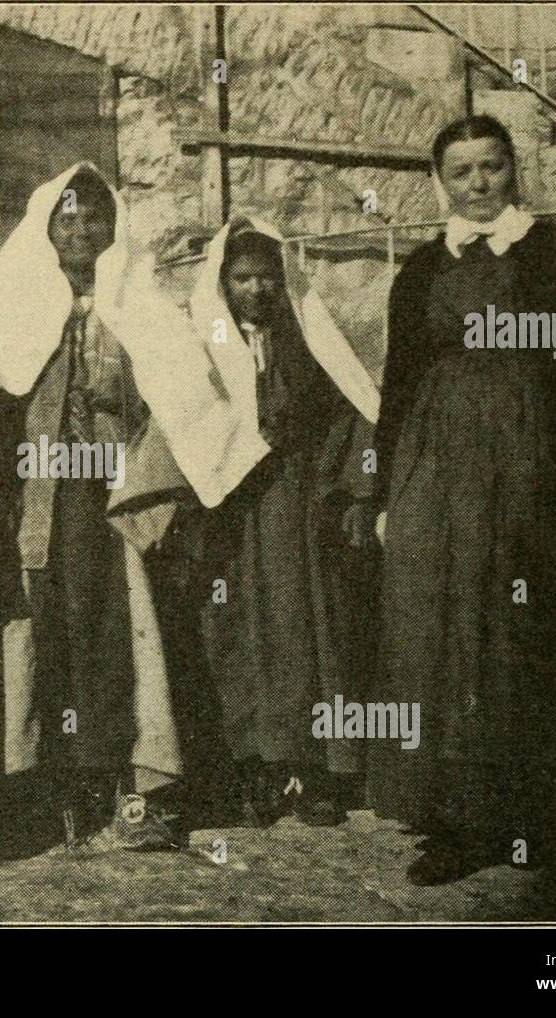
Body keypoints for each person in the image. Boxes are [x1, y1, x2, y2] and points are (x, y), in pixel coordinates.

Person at [368, 115, 556, 884]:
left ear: (514, 171)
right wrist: (384, 486)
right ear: (440, 183)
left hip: (529, 462)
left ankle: (531, 815)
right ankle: (452, 820)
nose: (479, 185)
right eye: (462, 172)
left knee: (516, 627)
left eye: (492, 167)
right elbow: (399, 380)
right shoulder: (421, 267)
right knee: (434, 629)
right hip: (435, 466)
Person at [0, 164, 194, 849]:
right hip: (38, 499)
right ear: (45, 228)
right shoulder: (12, 304)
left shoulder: (139, 302)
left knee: (115, 634)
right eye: (67, 218)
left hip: (109, 500)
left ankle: (121, 788)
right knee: (39, 633)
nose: (81, 229)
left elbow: (176, 393)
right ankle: (44, 790)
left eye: (94, 217)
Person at [179, 217, 381, 826]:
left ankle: (319, 773)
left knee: (313, 635)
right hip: (232, 511)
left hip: (297, 506)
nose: (256, 290)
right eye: (241, 278)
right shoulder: (203, 341)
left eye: (267, 277)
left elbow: (352, 406)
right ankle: (256, 773)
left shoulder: (306, 339)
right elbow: (182, 417)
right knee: (238, 633)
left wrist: (344, 490)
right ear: (222, 282)